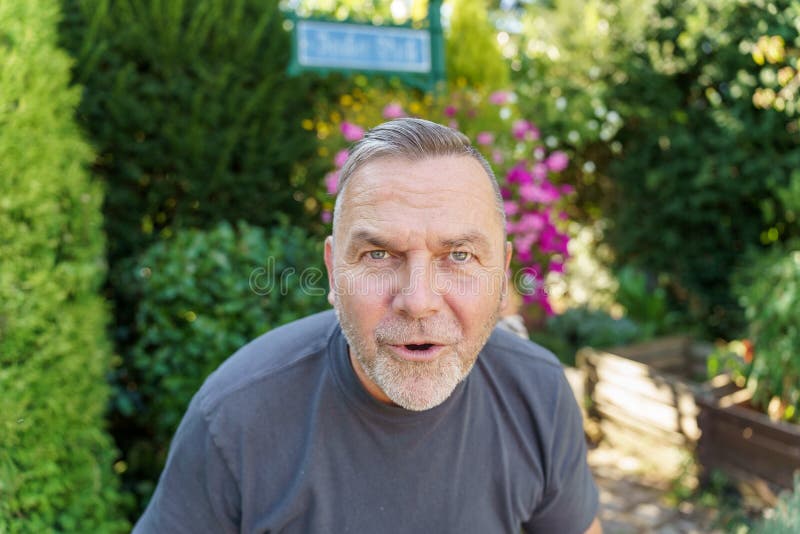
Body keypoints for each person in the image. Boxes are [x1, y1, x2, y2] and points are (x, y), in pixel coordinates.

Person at [134, 118, 602, 533]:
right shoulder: (235, 418)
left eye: (459, 256)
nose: (418, 302)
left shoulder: (538, 395)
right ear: (333, 272)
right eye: (378, 255)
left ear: (501, 276)